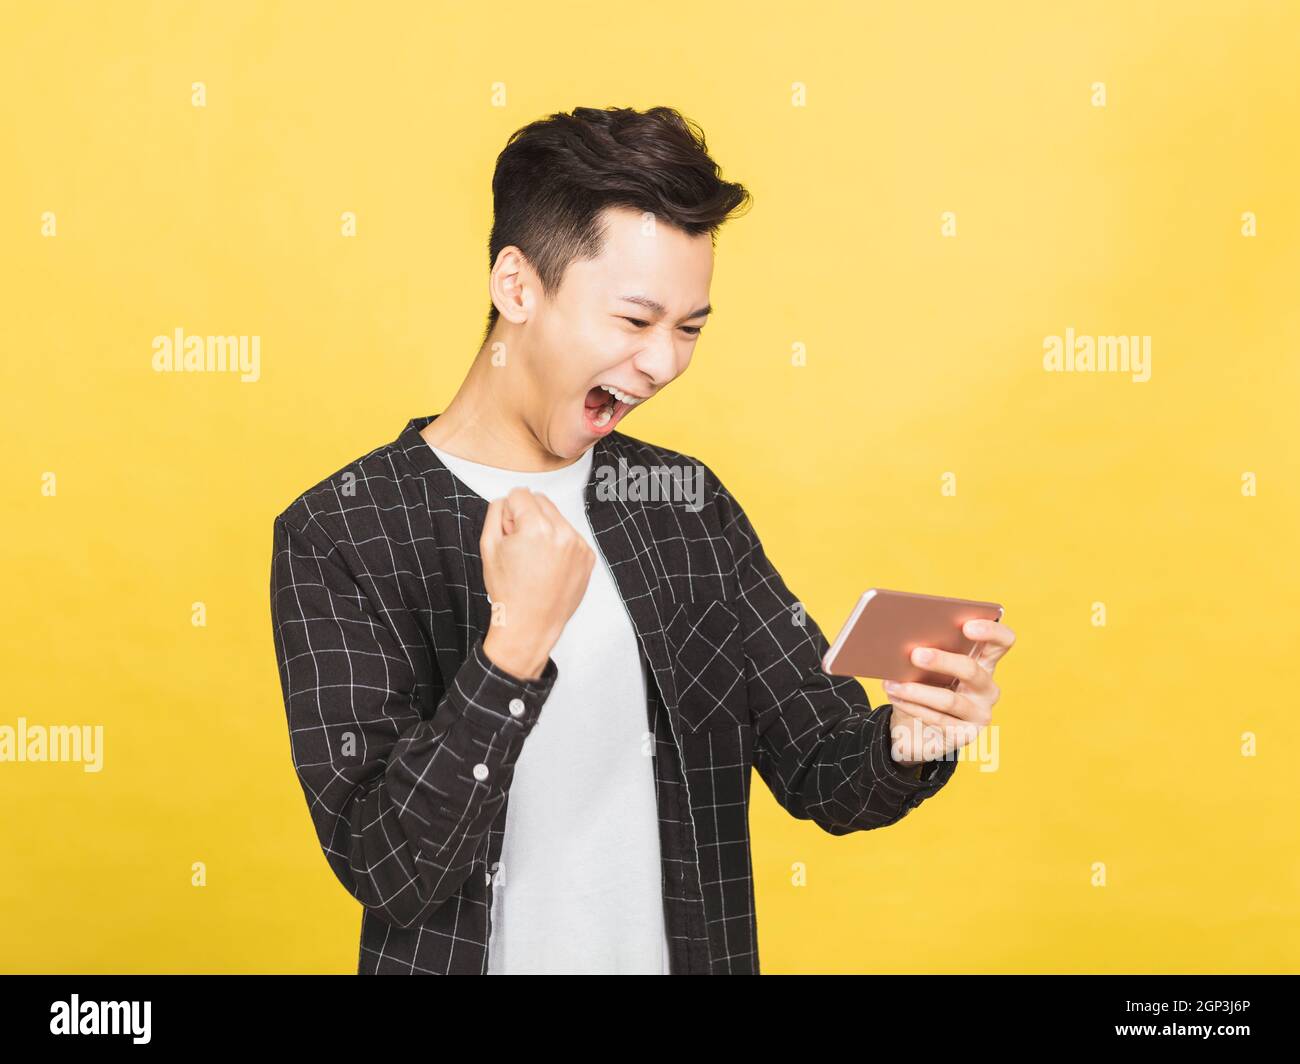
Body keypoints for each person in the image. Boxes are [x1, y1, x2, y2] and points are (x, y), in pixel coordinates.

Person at [269, 105, 1016, 975]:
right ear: (517, 287)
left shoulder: (683, 504)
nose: (664, 363)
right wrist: (513, 650)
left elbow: (824, 768)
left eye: (690, 327)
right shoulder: (344, 529)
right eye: (634, 321)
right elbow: (389, 869)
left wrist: (916, 733)